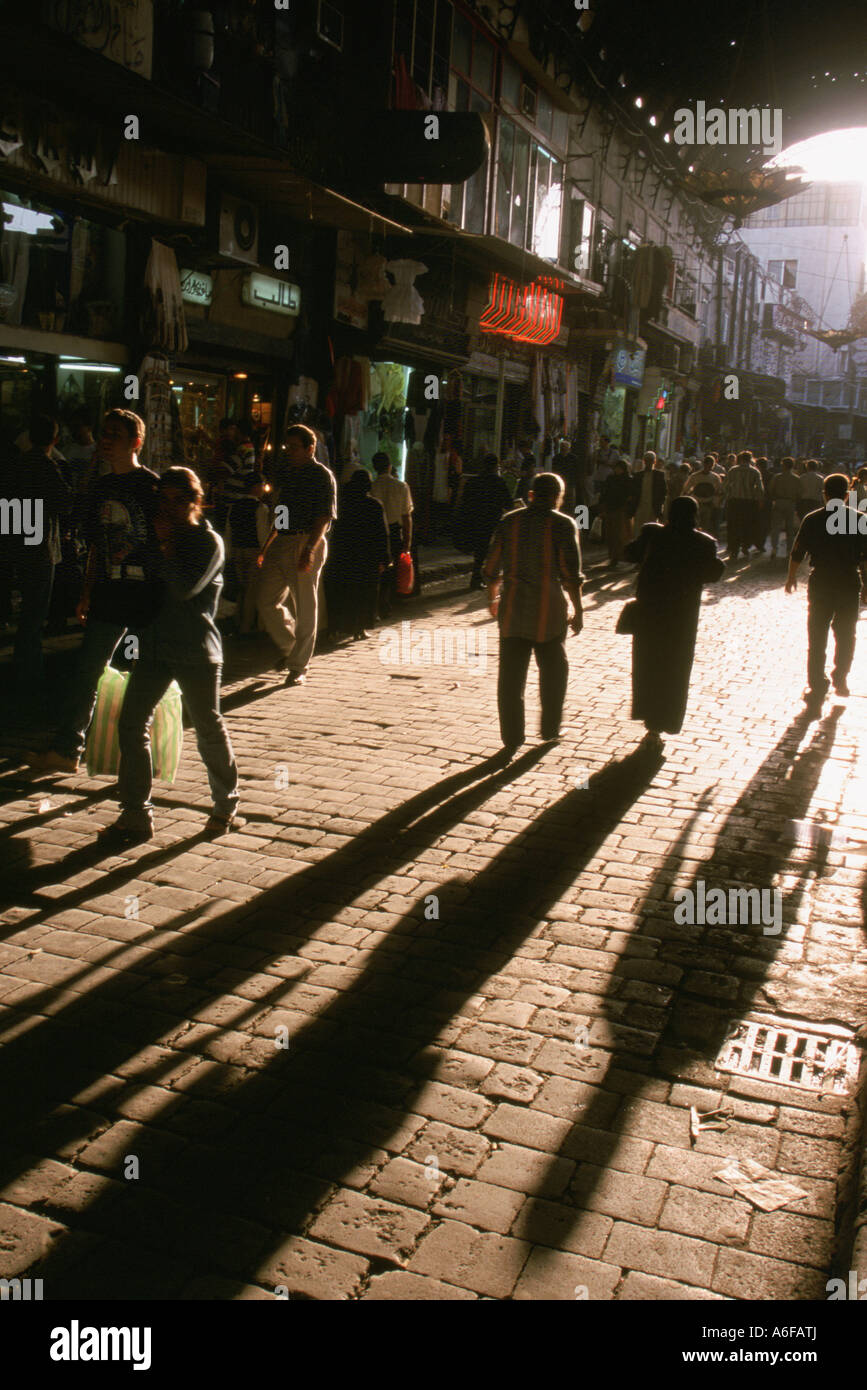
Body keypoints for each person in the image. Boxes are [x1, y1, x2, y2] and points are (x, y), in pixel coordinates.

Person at [100, 467, 241, 846]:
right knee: (131, 724)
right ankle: (135, 813)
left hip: (195, 648)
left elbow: (182, 588)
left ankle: (225, 803)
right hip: (154, 645)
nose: (171, 508)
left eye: (180, 500)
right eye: (164, 499)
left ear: (195, 502)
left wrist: (163, 547)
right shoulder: (155, 539)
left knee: (207, 726)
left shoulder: (208, 542)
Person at [27, 409, 159, 774]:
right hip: (108, 593)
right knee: (87, 671)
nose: (107, 439)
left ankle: (138, 750)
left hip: (143, 595)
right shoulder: (100, 486)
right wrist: (86, 592)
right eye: (105, 433)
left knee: (145, 675)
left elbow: (162, 544)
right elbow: (96, 546)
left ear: (135, 441)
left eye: (116, 433)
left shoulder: (151, 486)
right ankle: (69, 747)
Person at [483, 472, 584, 754]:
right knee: (554, 671)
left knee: (511, 677)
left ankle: (513, 737)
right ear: (558, 497)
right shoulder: (564, 525)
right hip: (549, 610)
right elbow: (571, 575)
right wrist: (578, 610)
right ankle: (550, 728)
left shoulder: (509, 521)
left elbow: (491, 569)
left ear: (530, 495)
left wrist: (493, 599)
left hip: (513, 609)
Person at [624, 494, 725, 751]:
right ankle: (665, 721)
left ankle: (650, 721)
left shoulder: (653, 535)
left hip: (650, 611)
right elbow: (715, 572)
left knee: (647, 665)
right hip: (681, 615)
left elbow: (629, 553)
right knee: (676, 670)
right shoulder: (704, 542)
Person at [257, 423, 337, 687]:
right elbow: (281, 513)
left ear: (310, 448)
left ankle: (299, 664)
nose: (289, 451)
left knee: (305, 605)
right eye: (287, 447)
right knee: (267, 600)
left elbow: (324, 516)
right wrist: (268, 544)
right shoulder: (288, 474)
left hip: (305, 539)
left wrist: (311, 548)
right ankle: (292, 649)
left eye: (294, 447)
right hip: (283, 539)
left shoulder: (321, 476)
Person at [785, 473, 867, 709]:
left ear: (824, 493)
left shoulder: (812, 519)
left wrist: (791, 577)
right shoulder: (859, 519)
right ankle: (840, 676)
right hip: (849, 581)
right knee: (846, 634)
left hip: (821, 580)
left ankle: (816, 684)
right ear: (846, 494)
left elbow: (797, 551)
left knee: (817, 634)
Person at [12, 414, 72, 695]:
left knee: (26, 612)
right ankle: (29, 674)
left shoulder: (16, 464)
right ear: (55, 440)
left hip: (18, 542)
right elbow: (65, 503)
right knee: (35, 614)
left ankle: (23, 667)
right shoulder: (48, 467)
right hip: (41, 546)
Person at [325, 468, 390, 640]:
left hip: (343, 554)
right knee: (364, 593)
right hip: (366, 557)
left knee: (341, 592)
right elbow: (382, 534)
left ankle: (336, 627)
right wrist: (384, 558)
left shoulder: (342, 504)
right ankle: (359, 628)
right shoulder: (374, 506)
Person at [455, 453, 513, 589]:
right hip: (491, 521)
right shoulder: (499, 482)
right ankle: (481, 578)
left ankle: (477, 577)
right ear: (495, 466)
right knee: (486, 551)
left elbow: (464, 502)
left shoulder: (473, 482)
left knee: (479, 551)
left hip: (474, 519)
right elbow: (508, 503)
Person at [370, 451, 413, 617]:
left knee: (377, 567)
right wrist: (408, 541)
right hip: (394, 529)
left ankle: (379, 602)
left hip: (376, 530)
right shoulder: (401, 486)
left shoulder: (372, 487)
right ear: (389, 466)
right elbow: (406, 516)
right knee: (392, 565)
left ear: (375, 467)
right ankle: (387, 601)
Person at [226, 472, 268, 635]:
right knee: (252, 591)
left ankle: (237, 623)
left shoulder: (233, 507)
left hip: (237, 551)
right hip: (254, 552)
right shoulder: (260, 508)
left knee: (241, 589)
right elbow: (262, 534)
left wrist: (229, 553)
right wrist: (264, 554)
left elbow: (229, 531)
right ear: (256, 487)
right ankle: (246, 627)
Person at [724, 449, 764, 559]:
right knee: (747, 525)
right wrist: (759, 500)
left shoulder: (733, 470)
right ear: (750, 459)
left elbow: (726, 486)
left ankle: (734, 548)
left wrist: (728, 496)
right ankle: (745, 546)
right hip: (749, 503)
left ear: (740, 459)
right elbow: (760, 489)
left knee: (733, 525)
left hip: (734, 501)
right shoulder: (755, 471)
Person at [599, 458, 634, 567]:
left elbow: (630, 495)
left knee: (620, 534)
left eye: (619, 468)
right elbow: (604, 493)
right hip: (611, 508)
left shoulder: (628, 480)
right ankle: (613, 555)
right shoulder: (611, 479)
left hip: (621, 509)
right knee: (611, 533)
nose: (617, 470)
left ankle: (618, 556)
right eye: (616, 468)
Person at [767, 457, 801, 561]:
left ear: (783, 465)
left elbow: (770, 490)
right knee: (789, 528)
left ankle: (774, 549)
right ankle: (789, 551)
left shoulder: (777, 477)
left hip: (779, 502)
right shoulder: (796, 479)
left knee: (776, 527)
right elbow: (799, 493)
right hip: (790, 503)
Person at [683, 454, 724, 536]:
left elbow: (720, 491)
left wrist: (715, 502)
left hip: (708, 504)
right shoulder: (695, 476)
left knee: (705, 526)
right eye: (707, 464)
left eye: (711, 465)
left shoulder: (715, 477)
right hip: (696, 503)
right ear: (703, 464)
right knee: (695, 524)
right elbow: (686, 489)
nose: (709, 467)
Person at [630, 451, 667, 532]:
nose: (648, 462)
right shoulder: (638, 476)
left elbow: (663, 492)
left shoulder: (659, 475)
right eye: (647, 460)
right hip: (639, 506)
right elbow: (633, 492)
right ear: (644, 461)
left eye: (651, 460)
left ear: (654, 461)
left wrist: (660, 506)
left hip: (653, 508)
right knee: (638, 529)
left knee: (652, 529)